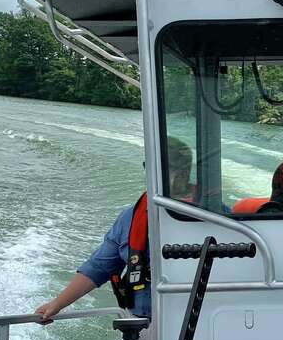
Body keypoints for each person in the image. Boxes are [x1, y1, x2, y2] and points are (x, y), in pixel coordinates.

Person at [35, 137, 195, 322]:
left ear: (184, 173)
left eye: (161, 169)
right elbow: (99, 266)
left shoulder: (215, 216)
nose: (151, 174)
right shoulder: (130, 217)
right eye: (149, 167)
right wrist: (56, 304)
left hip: (196, 318)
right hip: (142, 321)